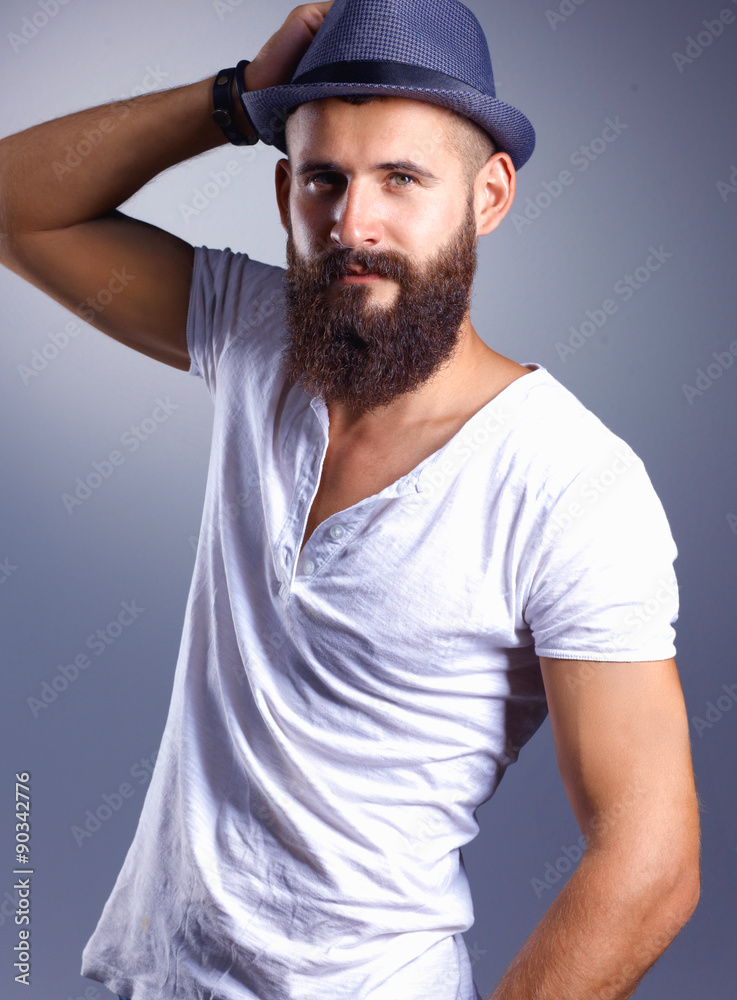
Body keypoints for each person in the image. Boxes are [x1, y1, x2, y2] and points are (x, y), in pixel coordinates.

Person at [0, 0, 700, 998]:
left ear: (489, 196)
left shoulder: (571, 484)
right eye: (323, 178)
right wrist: (232, 99)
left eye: (402, 179)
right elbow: (17, 204)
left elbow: (648, 861)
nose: (351, 225)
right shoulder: (256, 334)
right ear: (284, 189)